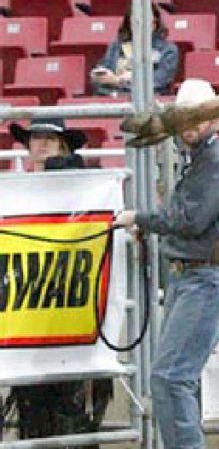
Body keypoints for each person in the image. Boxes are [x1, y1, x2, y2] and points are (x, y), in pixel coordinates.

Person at [113, 79, 219, 449]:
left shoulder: (214, 163)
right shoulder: (209, 159)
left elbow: (188, 220)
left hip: (206, 277)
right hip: (202, 276)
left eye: (197, 116)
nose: (191, 124)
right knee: (178, 378)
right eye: (187, 117)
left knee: (171, 378)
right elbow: (189, 220)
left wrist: (139, 218)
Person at [5, 118, 113, 446]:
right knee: (32, 405)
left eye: (49, 140)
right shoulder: (14, 191)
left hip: (65, 303)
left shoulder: (78, 183)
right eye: (36, 139)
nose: (40, 146)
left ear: (63, 147)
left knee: (70, 403)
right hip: (30, 308)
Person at [91, 6, 179, 97]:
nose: (140, 23)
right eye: (136, 20)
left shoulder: (168, 50)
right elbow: (104, 71)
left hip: (149, 101)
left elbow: (158, 82)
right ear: (129, 23)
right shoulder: (116, 46)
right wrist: (100, 76)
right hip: (112, 97)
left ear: (154, 23)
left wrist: (120, 82)